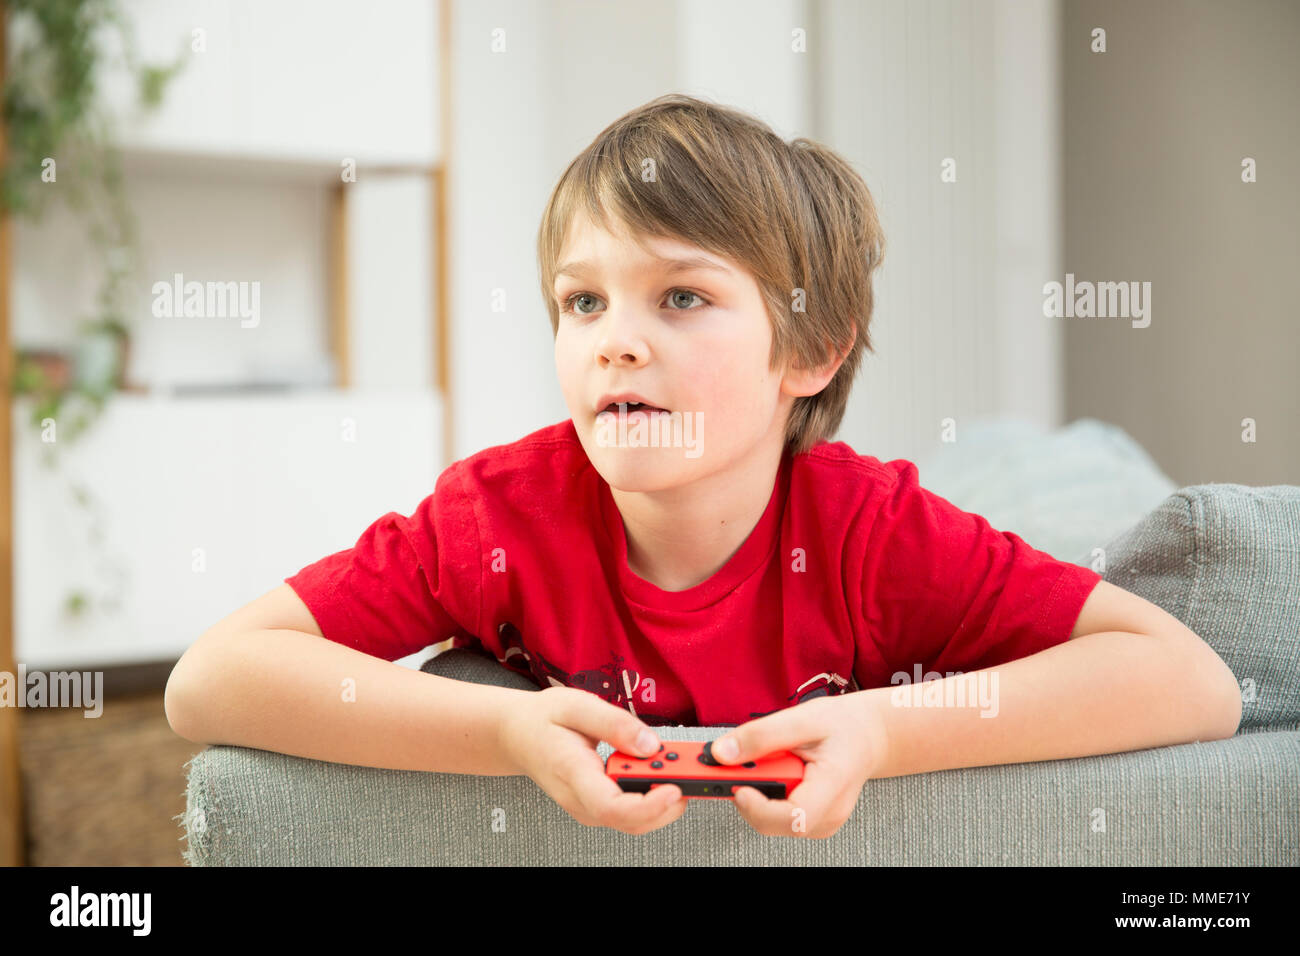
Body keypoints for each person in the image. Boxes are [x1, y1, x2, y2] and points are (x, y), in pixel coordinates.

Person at [164, 94, 1241, 840]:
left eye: (680, 295)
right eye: (582, 300)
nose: (612, 340)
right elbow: (209, 679)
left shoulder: (874, 531)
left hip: (960, 497)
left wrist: (882, 727)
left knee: (1071, 474)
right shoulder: (496, 512)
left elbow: (1191, 680)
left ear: (814, 349)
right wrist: (500, 724)